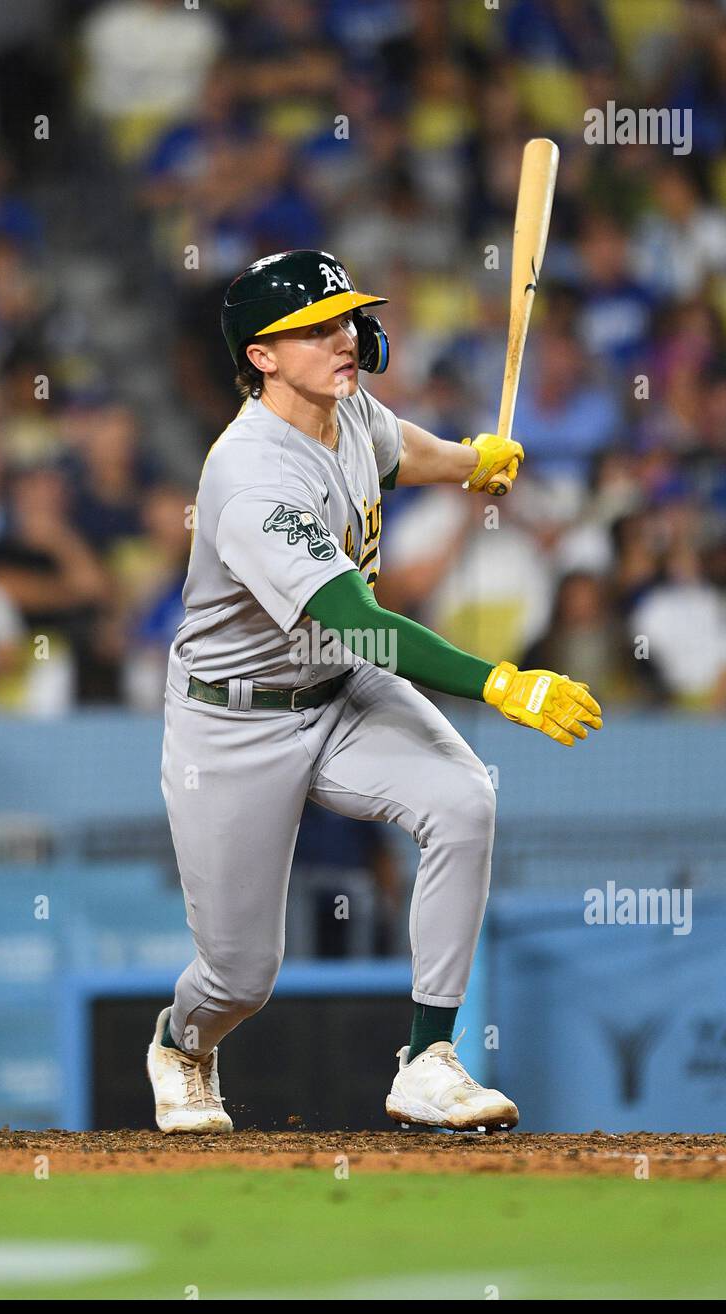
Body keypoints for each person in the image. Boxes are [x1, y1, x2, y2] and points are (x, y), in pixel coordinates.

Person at [147, 249, 602, 1135]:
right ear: (261, 358)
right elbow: (363, 623)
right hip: (233, 722)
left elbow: (400, 452)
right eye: (313, 329)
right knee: (240, 978)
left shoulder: (347, 409)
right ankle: (181, 1044)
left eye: (346, 318)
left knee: (464, 798)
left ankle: (429, 1060)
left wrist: (472, 461)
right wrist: (499, 682)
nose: (342, 337)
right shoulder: (249, 475)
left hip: (337, 689)